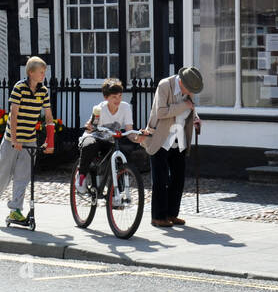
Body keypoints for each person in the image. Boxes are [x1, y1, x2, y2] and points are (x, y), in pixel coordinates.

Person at [0, 56, 55, 221]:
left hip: (30, 138)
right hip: (11, 139)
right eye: (41, 72)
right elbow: (14, 114)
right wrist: (15, 139)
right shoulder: (19, 88)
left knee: (23, 177)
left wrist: (49, 141)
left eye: (44, 72)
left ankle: (15, 210)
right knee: (4, 176)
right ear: (31, 73)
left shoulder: (43, 92)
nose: (43, 75)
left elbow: (48, 117)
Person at [142, 66, 202, 228]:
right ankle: (158, 217)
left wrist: (195, 118)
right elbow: (161, 112)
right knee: (160, 179)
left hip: (179, 136)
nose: (190, 92)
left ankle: (171, 214)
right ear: (181, 81)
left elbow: (190, 107)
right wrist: (185, 106)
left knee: (178, 178)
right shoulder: (164, 86)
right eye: (188, 89)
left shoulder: (189, 88)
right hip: (161, 138)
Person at [76, 78, 145, 191]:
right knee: (89, 145)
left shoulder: (125, 108)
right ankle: (81, 176)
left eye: (119, 96)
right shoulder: (99, 109)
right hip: (95, 137)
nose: (118, 100)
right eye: (114, 97)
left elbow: (129, 132)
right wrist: (89, 126)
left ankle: (115, 193)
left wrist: (139, 138)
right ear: (106, 97)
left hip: (110, 140)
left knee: (123, 155)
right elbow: (91, 128)